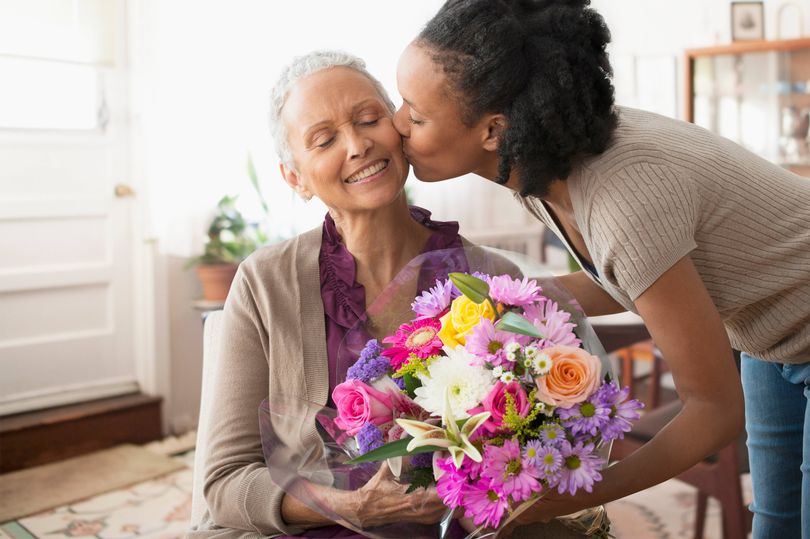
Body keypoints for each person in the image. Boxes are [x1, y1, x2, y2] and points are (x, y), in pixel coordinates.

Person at [392, 1, 810, 538]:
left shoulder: (620, 195)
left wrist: (571, 493)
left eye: (416, 113)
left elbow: (714, 409)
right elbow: (638, 275)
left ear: (493, 130)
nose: (397, 124)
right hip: (774, 339)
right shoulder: (542, 163)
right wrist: (491, 307)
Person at [189, 50, 580, 539]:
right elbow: (225, 484)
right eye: (324, 139)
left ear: (401, 127)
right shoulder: (265, 282)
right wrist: (345, 507)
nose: (357, 145)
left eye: (369, 119)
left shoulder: (489, 277)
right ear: (296, 178)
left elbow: (540, 445)